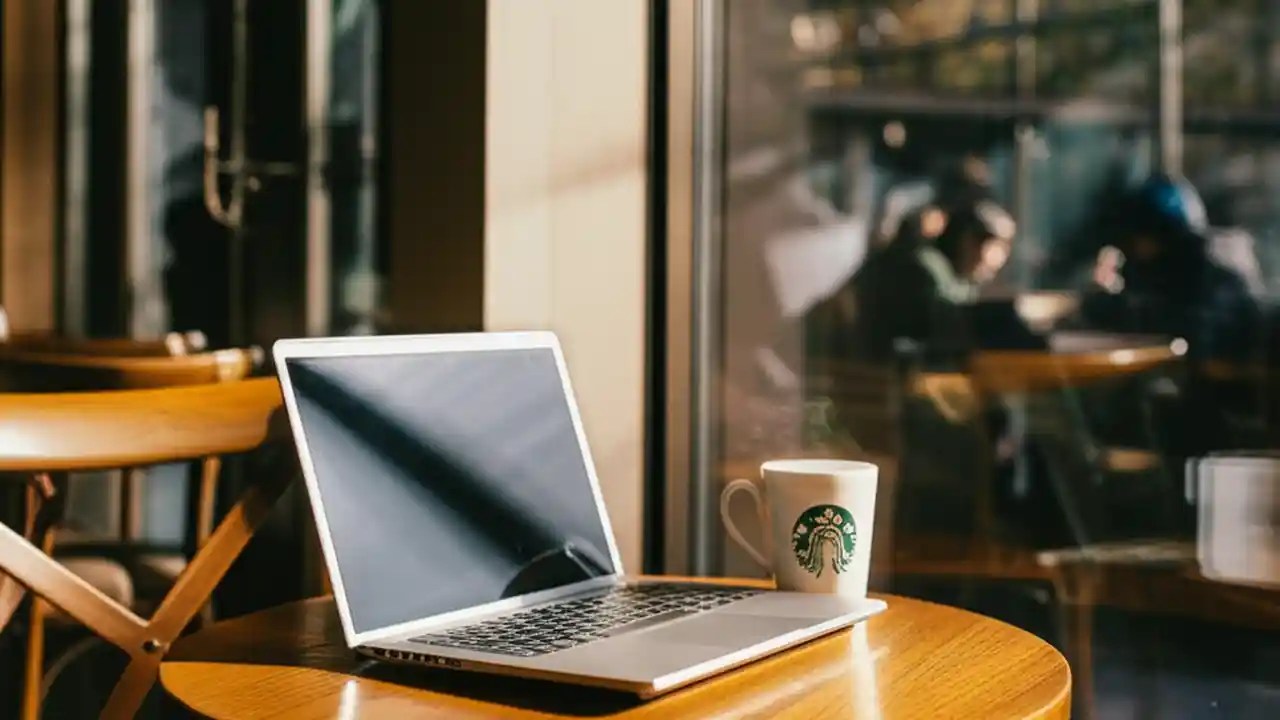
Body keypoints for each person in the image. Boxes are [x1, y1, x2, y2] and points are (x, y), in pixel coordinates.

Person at [806, 199, 1017, 364]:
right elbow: (946, 322)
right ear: (969, 241)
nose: (1000, 260)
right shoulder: (923, 269)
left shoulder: (957, 281)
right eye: (999, 247)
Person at [1082, 174, 1260, 361]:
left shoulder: (1213, 274)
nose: (1135, 249)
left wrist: (1118, 311)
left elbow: (1196, 328)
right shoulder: (1159, 269)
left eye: (1139, 238)